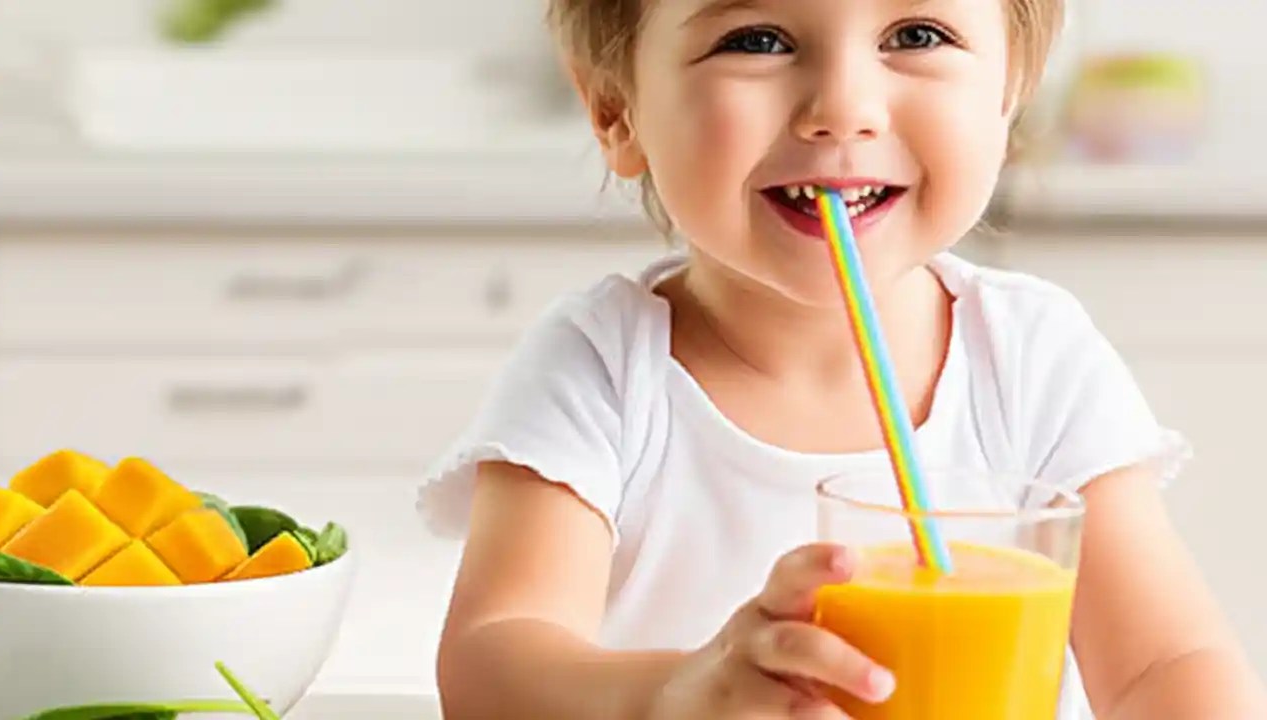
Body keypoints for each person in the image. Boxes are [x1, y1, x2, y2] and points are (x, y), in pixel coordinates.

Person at [417, 0, 1267, 717]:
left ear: (1009, 95)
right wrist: (682, 690)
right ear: (616, 111)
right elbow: (493, 663)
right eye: (757, 40)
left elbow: (1167, 666)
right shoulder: (603, 370)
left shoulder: (1032, 361)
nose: (843, 107)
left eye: (917, 35)